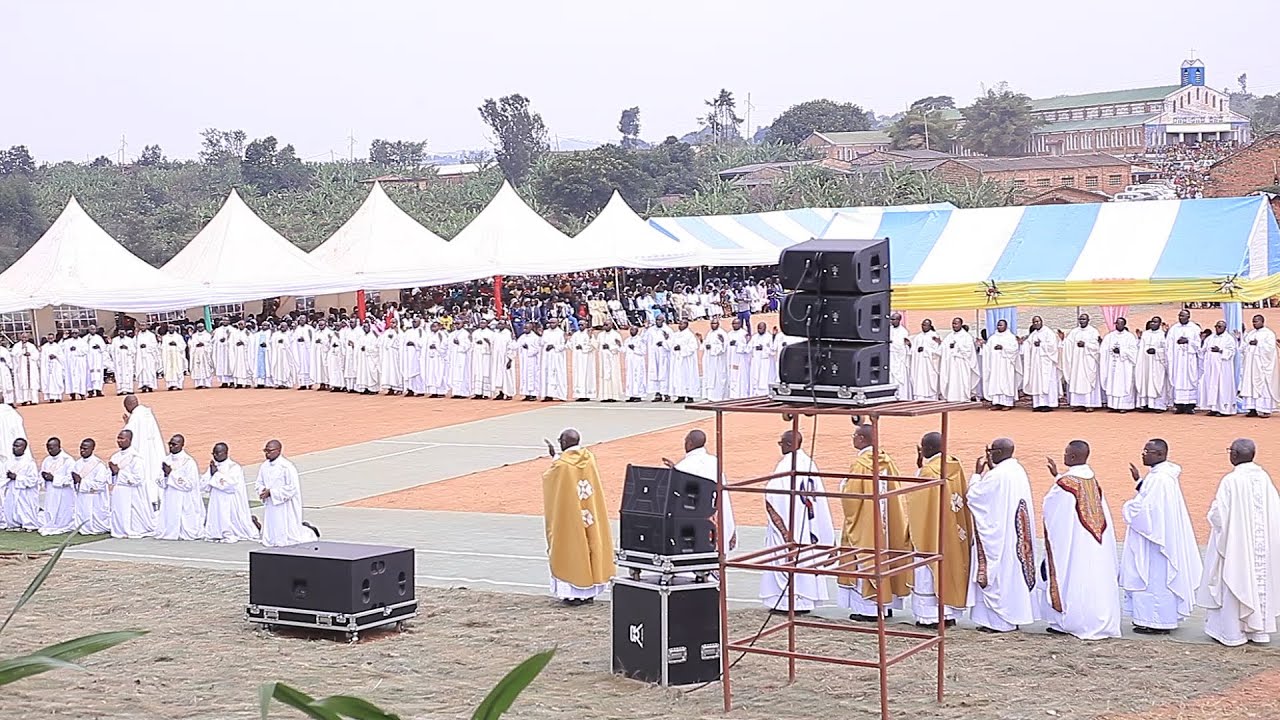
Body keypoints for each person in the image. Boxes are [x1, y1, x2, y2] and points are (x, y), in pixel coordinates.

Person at [1197, 438, 1280, 646]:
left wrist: (1214, 519)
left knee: (1235, 579)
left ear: (1234, 455)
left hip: (1237, 544)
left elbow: (1219, 515)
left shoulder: (1231, 481)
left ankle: (1233, 632)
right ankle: (1258, 631)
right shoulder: (1264, 479)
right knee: (1258, 581)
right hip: (1260, 547)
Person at [1036, 440, 1122, 639]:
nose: (1064, 456)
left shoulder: (1065, 484)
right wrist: (1058, 475)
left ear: (1073, 457)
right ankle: (1094, 621)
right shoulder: (1091, 479)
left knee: (1071, 576)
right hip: (1094, 545)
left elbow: (1052, 508)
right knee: (1092, 578)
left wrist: (1058, 479)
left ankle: (1070, 622)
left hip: (1074, 545)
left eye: (1066, 454)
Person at [1121, 438, 1202, 634]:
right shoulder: (1160, 476)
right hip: (1160, 537)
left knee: (1155, 580)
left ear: (1160, 454)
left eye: (1147, 451)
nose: (1143, 454)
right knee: (1154, 579)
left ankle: (1157, 621)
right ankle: (1150, 619)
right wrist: (1139, 482)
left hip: (1157, 542)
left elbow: (1146, 512)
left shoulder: (1160, 479)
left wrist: (1128, 507)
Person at [838, 423, 910, 620]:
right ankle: (886, 605)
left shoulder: (861, 464)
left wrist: (842, 486)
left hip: (866, 522)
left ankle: (868, 609)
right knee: (884, 555)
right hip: (886, 521)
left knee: (866, 556)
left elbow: (851, 498)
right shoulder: (887, 461)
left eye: (854, 435)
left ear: (862, 439)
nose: (853, 439)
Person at [967, 438, 1037, 633]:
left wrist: (976, 475)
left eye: (990, 451)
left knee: (1000, 576)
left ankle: (999, 622)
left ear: (996, 453)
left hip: (1000, 539)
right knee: (1012, 576)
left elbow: (974, 497)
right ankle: (1011, 618)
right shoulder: (1017, 470)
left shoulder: (996, 476)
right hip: (1015, 536)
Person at [761, 430, 835, 614]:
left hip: (791, 521)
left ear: (788, 444)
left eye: (781, 443)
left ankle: (788, 603)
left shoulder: (786, 464)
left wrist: (784, 529)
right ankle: (804, 602)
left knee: (786, 558)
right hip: (809, 520)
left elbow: (773, 497)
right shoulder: (808, 462)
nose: (780, 447)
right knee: (807, 557)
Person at [907, 432, 973, 628]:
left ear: (927, 449)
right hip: (951, 528)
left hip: (931, 530)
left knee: (928, 569)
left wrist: (920, 469)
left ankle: (930, 618)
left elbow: (917, 501)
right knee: (948, 568)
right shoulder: (954, 464)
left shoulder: (929, 472)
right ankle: (948, 614)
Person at [541, 428, 612, 605]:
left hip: (571, 515)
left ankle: (572, 595)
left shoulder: (562, 465)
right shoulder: (589, 458)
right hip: (589, 513)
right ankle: (589, 593)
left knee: (571, 547)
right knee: (591, 545)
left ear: (564, 443)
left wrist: (554, 457)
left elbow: (551, 478)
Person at [664, 429, 736, 553]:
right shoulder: (714, 461)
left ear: (690, 443)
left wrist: (674, 471)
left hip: (697, 519)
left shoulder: (684, 466)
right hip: (716, 513)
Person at [255, 439, 312, 547]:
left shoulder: (286, 467)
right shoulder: (264, 466)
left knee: (285, 525)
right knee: (272, 523)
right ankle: (272, 539)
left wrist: (272, 492)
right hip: (271, 503)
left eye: (270, 451)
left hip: (285, 504)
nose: (267, 453)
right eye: (265, 451)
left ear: (278, 450)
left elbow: (292, 488)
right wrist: (262, 490)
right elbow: (259, 482)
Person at [202, 442, 259, 543]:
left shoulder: (234, 467)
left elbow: (230, 485)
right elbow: (204, 485)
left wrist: (215, 474)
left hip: (230, 500)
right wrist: (211, 474)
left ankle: (250, 524)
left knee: (229, 519)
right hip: (216, 498)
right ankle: (216, 532)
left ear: (225, 453)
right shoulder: (214, 466)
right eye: (213, 453)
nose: (215, 455)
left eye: (218, 453)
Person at [107, 429, 157, 539]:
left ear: (129, 440)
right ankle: (119, 529)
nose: (119, 441)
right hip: (118, 490)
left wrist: (119, 473)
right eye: (118, 438)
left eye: (122, 438)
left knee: (131, 512)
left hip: (131, 491)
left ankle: (133, 529)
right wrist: (112, 473)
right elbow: (109, 477)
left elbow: (138, 478)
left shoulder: (135, 458)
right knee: (118, 511)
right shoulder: (115, 457)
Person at [156, 434, 204, 541]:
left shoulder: (188, 462)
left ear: (182, 445)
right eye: (170, 444)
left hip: (184, 497)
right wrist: (165, 475)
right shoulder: (166, 460)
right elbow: (160, 481)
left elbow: (190, 484)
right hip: (169, 495)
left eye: (174, 444)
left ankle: (182, 531)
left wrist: (171, 474)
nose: (171, 446)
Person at [122, 394, 165, 509]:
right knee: (154, 472)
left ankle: (148, 500)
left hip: (142, 449)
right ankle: (157, 498)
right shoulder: (147, 412)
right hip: (153, 448)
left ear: (128, 405)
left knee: (145, 474)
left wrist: (127, 424)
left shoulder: (135, 416)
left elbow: (127, 435)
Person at [1238, 314, 1278, 418]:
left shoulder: (1268, 334)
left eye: (1256, 321)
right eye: (1253, 321)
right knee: (1250, 386)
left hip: (1261, 366)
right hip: (1250, 366)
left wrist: (1258, 344)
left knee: (1263, 386)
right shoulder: (1250, 334)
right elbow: (1243, 347)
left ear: (1262, 322)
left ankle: (1265, 409)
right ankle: (1252, 409)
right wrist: (1246, 344)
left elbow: (1271, 349)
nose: (1254, 323)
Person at [70, 438, 112, 535]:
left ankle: (96, 527)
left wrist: (81, 481)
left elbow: (100, 485)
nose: (82, 451)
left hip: (95, 498)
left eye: (85, 449)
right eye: (81, 448)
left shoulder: (98, 465)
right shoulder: (77, 464)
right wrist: (75, 482)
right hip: (82, 497)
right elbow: (73, 482)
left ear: (92, 449)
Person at [1062, 314, 1102, 411]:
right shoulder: (1074, 332)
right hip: (1077, 362)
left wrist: (1086, 344)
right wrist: (1063, 340)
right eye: (1080, 319)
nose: (1082, 321)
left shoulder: (1093, 331)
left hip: (1088, 361)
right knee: (1077, 381)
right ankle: (1078, 403)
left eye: (1084, 319)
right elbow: (1068, 344)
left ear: (1088, 320)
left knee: (1088, 382)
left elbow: (1096, 347)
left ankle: (1089, 404)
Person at [37, 437, 77, 535]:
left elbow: (70, 479)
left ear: (58, 446)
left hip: (63, 492)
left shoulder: (68, 460)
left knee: (62, 510)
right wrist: (44, 477)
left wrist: (54, 478)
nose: (49, 450)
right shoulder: (47, 460)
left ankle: (63, 524)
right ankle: (50, 523)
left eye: (52, 448)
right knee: (50, 509)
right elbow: (41, 475)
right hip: (51, 491)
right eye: (48, 448)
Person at [1021, 315, 1060, 412]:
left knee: (1047, 382)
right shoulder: (1033, 334)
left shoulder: (1049, 333)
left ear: (1042, 322)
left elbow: (1053, 346)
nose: (1036, 323)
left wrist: (1041, 344)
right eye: (1034, 322)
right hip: (1036, 363)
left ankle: (1048, 404)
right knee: (1037, 382)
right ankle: (1038, 404)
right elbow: (1028, 345)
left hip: (1046, 363)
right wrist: (1023, 343)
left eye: (1037, 321)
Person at [1198, 320, 1237, 416]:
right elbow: (1202, 350)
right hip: (1211, 367)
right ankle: (1213, 408)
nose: (1217, 328)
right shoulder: (1210, 338)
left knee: (1222, 387)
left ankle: (1224, 410)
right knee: (1211, 385)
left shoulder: (1229, 338)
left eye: (1220, 327)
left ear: (1225, 328)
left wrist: (1220, 350)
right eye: (1216, 326)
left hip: (1223, 367)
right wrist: (1202, 341)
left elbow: (1232, 351)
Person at [1166, 309, 1202, 414]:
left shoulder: (1194, 328)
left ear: (1188, 317)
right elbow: (1168, 344)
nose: (1181, 318)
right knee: (1178, 379)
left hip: (1189, 359)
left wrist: (1188, 341)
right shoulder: (1174, 329)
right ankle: (1179, 405)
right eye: (1180, 315)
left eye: (1183, 316)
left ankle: (1190, 406)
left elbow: (1199, 344)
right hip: (1177, 359)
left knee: (1190, 380)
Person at [1100, 318, 1138, 413]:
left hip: (1124, 366)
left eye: (1121, 324)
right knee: (1112, 383)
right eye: (1117, 323)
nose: (1118, 325)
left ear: (1124, 324)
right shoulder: (1109, 337)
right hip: (1112, 365)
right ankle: (1112, 405)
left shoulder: (1130, 337)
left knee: (1124, 384)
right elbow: (1103, 350)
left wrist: (1121, 351)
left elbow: (1134, 352)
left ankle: (1124, 406)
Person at [982, 319, 1019, 410]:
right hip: (995, 365)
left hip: (1006, 365)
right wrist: (982, 346)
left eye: (1001, 325)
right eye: (998, 325)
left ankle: (1007, 403)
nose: (999, 327)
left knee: (1006, 382)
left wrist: (1003, 348)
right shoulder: (992, 338)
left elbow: (1014, 349)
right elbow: (987, 350)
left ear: (1006, 326)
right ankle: (997, 402)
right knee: (996, 382)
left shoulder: (1010, 337)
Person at [940, 318, 978, 402]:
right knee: (952, 380)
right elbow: (943, 347)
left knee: (962, 380)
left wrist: (957, 346)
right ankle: (952, 398)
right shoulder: (949, 336)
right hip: (951, 363)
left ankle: (963, 398)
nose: (954, 325)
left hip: (962, 363)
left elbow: (969, 351)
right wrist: (947, 347)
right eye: (953, 323)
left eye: (956, 324)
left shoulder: (966, 336)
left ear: (961, 324)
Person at [1134, 318, 1168, 412]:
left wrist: (1156, 351)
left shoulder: (1163, 335)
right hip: (1145, 362)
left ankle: (1159, 405)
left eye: (1155, 322)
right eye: (1152, 322)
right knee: (1145, 381)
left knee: (1157, 382)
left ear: (1160, 324)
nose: (1153, 323)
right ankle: (1145, 404)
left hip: (1157, 363)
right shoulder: (1145, 334)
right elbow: (1140, 347)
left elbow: (1167, 349)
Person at [908, 319, 942, 401]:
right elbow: (912, 351)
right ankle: (919, 396)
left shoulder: (934, 336)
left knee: (930, 379)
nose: (924, 327)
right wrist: (914, 348)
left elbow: (938, 351)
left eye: (926, 325)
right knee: (919, 379)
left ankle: (931, 396)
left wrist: (926, 350)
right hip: (919, 363)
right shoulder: (918, 337)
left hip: (929, 364)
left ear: (930, 326)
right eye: (922, 325)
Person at [670, 320, 700, 403]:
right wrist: (674, 348)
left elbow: (693, 347)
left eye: (682, 323)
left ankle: (690, 396)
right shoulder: (675, 335)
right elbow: (671, 344)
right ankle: (681, 395)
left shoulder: (689, 335)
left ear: (686, 325)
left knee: (688, 377)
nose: (680, 325)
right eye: (679, 323)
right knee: (679, 377)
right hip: (678, 359)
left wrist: (682, 348)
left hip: (687, 361)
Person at [594, 321, 624, 403]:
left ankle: (613, 396)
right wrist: (591, 338)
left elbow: (620, 348)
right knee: (604, 376)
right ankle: (604, 396)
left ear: (611, 325)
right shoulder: (600, 335)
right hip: (603, 359)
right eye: (604, 325)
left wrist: (610, 347)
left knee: (613, 376)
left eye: (607, 325)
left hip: (612, 359)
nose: (605, 326)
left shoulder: (616, 335)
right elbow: (596, 345)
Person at [645, 317, 673, 402]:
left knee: (664, 374)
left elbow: (672, 343)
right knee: (655, 374)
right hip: (654, 355)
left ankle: (666, 394)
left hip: (664, 355)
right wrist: (645, 329)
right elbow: (644, 340)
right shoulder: (651, 330)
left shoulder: (668, 330)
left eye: (660, 320)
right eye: (657, 320)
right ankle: (658, 393)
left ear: (663, 321)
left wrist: (664, 342)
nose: (658, 322)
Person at [541, 319, 569, 402]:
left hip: (557, 357)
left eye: (553, 323)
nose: (551, 324)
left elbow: (563, 346)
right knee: (547, 374)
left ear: (557, 323)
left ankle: (560, 395)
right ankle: (548, 395)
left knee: (558, 375)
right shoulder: (546, 332)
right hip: (547, 357)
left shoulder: (561, 333)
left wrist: (554, 346)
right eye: (550, 323)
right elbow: (541, 343)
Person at [702, 319, 729, 402]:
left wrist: (713, 347)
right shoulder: (710, 333)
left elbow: (724, 347)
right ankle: (710, 396)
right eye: (712, 323)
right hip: (710, 360)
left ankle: (719, 397)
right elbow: (706, 344)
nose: (713, 325)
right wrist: (704, 343)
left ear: (718, 324)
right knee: (709, 377)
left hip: (718, 361)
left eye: (715, 323)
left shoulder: (722, 333)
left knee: (718, 378)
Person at [490, 320, 517, 401]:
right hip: (497, 359)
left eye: (501, 324)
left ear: (505, 325)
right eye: (499, 323)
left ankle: (509, 393)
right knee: (498, 376)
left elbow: (512, 347)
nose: (499, 325)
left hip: (506, 359)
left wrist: (510, 359)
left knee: (507, 376)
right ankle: (500, 392)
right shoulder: (495, 334)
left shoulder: (508, 334)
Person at [726, 318, 752, 399]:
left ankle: (741, 394)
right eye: (733, 324)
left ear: (740, 324)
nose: (734, 325)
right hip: (731, 358)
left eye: (736, 324)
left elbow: (746, 347)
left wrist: (737, 343)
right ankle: (732, 394)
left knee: (740, 376)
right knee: (732, 375)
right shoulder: (729, 334)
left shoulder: (743, 333)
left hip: (740, 359)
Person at [570, 325, 596, 402]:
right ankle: (579, 395)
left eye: (582, 325)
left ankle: (587, 395)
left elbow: (594, 346)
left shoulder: (589, 334)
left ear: (586, 325)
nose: (580, 326)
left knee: (586, 375)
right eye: (579, 325)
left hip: (586, 359)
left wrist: (583, 347)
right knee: (578, 375)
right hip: (577, 359)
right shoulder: (575, 334)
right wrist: (575, 346)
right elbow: (570, 344)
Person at [518, 323, 544, 401]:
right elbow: (516, 345)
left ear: (531, 328)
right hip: (524, 360)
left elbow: (537, 349)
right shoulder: (522, 337)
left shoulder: (535, 338)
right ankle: (526, 394)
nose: (524, 330)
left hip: (532, 360)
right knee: (524, 376)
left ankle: (533, 394)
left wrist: (528, 348)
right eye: (524, 328)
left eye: (526, 328)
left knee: (532, 376)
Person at [888, 312, 911, 400]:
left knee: (899, 379)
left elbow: (902, 345)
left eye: (893, 319)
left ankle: (901, 397)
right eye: (891, 319)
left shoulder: (903, 332)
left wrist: (892, 343)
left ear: (899, 320)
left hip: (899, 359)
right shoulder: (888, 330)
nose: (891, 321)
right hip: (890, 357)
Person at [748, 322, 774, 397]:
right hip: (756, 360)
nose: (759, 330)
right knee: (755, 376)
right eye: (758, 328)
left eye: (761, 328)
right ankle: (754, 393)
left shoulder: (769, 337)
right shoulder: (754, 337)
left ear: (765, 328)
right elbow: (748, 348)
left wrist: (764, 348)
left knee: (763, 377)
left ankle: (764, 393)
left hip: (765, 361)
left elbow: (773, 350)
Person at [623, 325, 647, 402]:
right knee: (630, 378)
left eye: (633, 330)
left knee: (637, 378)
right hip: (630, 363)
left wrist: (634, 348)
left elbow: (643, 351)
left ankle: (638, 395)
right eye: (631, 330)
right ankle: (631, 395)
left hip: (638, 362)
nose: (632, 331)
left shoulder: (640, 340)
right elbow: (624, 350)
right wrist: (619, 345)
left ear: (637, 331)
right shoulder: (627, 340)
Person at [189, 322, 215, 389]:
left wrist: (204, 344)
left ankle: (207, 383)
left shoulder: (207, 335)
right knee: (197, 368)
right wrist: (195, 345)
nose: (200, 328)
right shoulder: (194, 336)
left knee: (206, 368)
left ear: (204, 327)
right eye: (199, 327)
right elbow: (190, 344)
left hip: (205, 354)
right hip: (196, 354)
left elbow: (210, 344)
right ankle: (198, 384)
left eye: (201, 327)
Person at [161, 326, 187, 391]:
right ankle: (170, 385)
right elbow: (162, 347)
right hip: (168, 357)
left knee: (178, 369)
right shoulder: (165, 337)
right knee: (169, 370)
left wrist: (176, 344)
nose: (171, 329)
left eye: (172, 328)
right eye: (169, 328)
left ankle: (179, 385)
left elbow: (183, 345)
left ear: (175, 329)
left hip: (177, 356)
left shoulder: (179, 337)